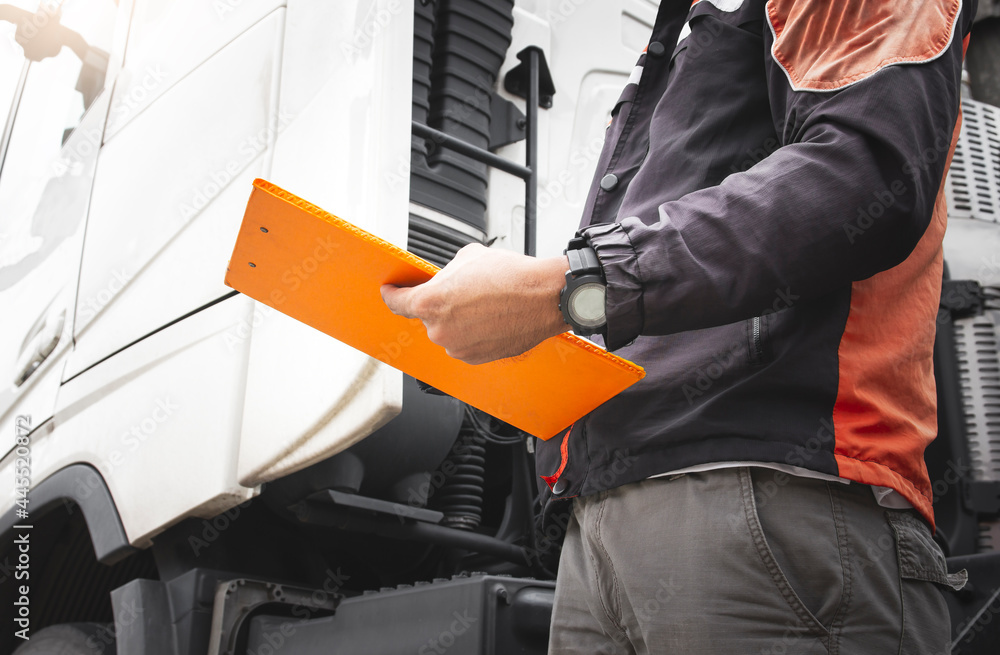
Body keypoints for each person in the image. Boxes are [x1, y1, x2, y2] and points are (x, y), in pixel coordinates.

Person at [383, 0, 978, 652]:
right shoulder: (686, 33)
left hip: (770, 493)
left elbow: (863, 176)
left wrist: (567, 289)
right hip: (611, 520)